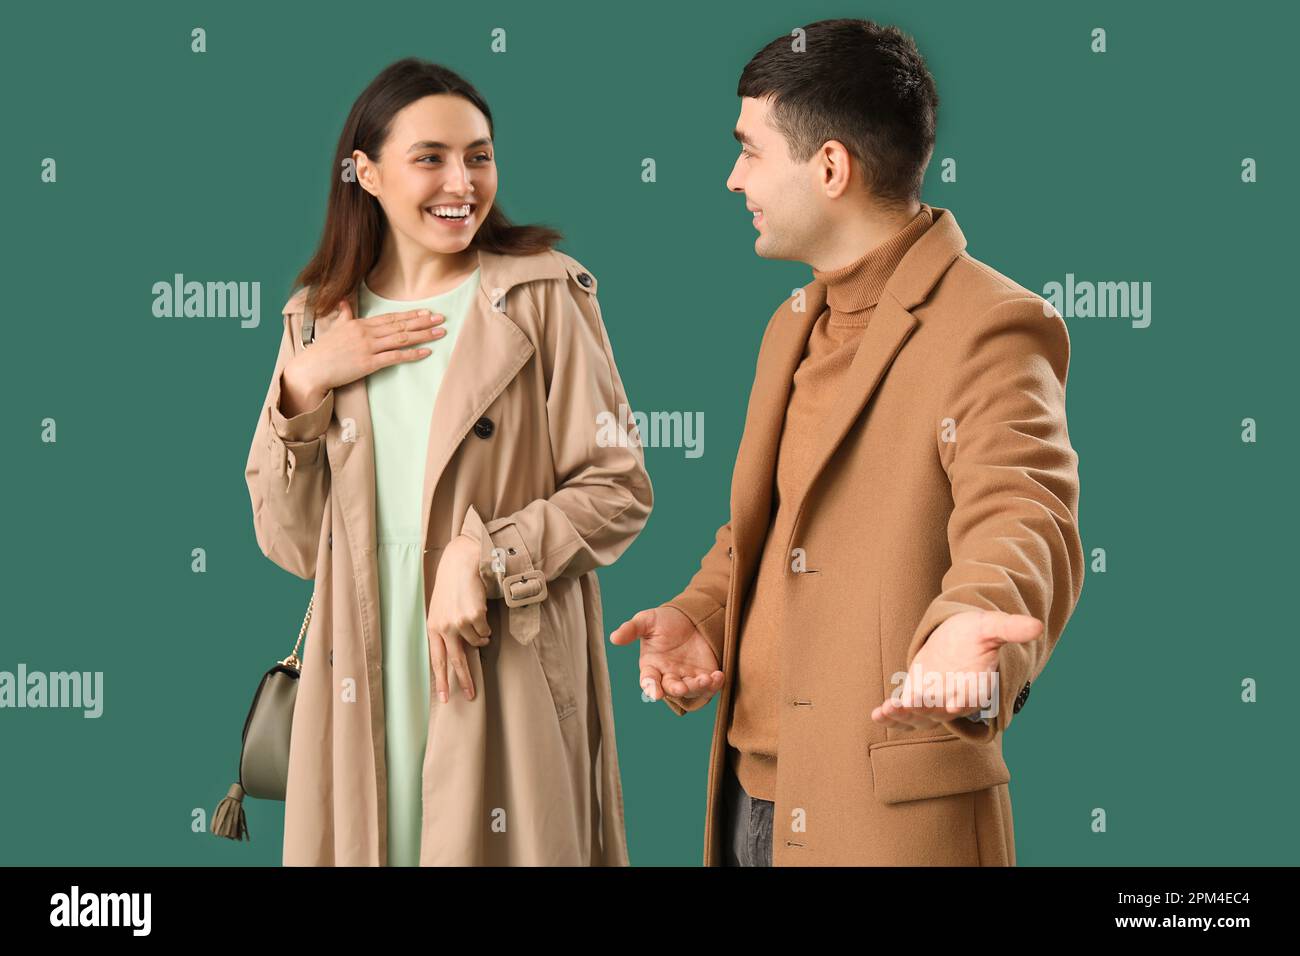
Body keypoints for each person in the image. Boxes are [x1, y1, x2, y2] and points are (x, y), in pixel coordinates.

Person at [612, 18, 1084, 866]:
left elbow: (1023, 507)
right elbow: (780, 525)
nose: (732, 178)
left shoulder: (994, 323)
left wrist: (970, 621)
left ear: (830, 167)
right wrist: (701, 615)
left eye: (750, 151)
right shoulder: (789, 324)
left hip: (887, 824)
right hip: (750, 806)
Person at [245, 58, 652, 865]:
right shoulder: (315, 319)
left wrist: (487, 553)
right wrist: (303, 387)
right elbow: (292, 546)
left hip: (498, 654)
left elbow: (619, 487)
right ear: (364, 172)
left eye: (479, 155)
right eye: (429, 157)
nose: (461, 181)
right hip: (360, 662)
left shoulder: (543, 297)